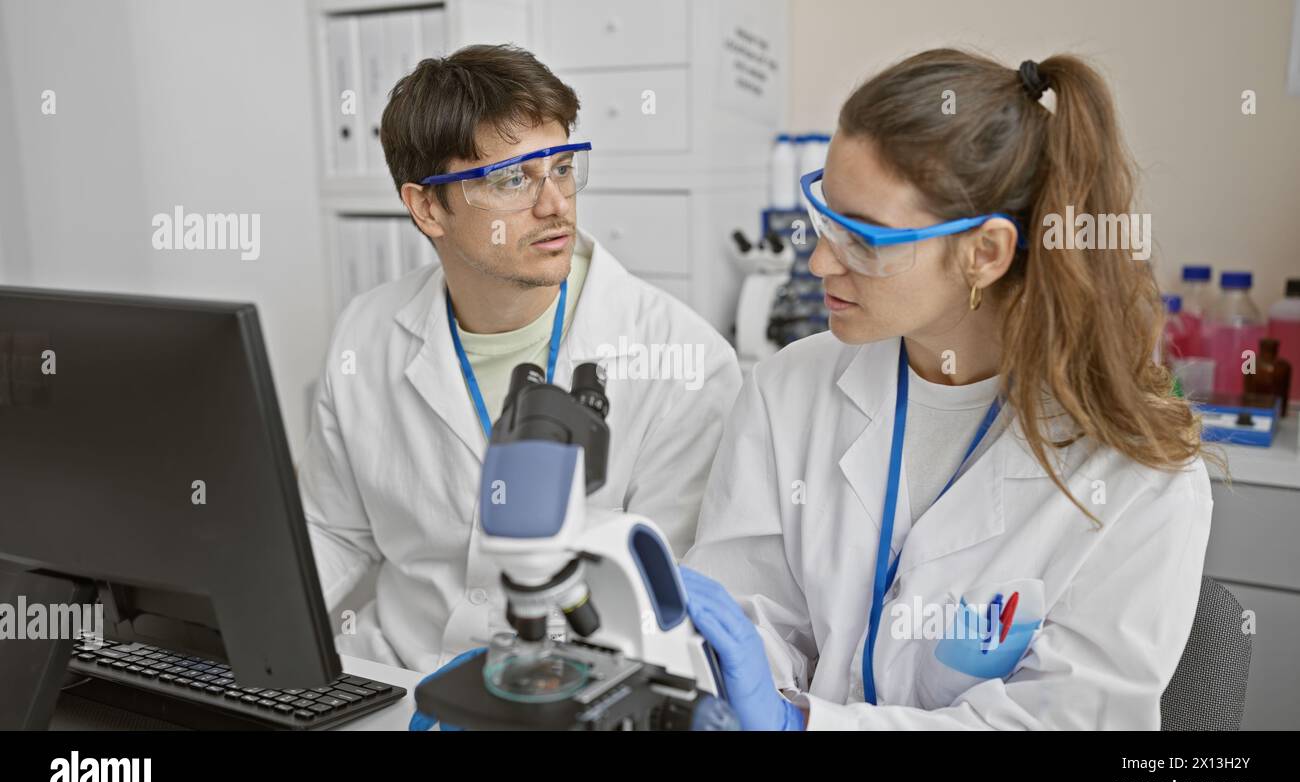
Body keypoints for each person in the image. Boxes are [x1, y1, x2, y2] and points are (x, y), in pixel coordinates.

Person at [681, 49, 1214, 730]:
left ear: (985, 253)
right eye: (824, 215)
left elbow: (1057, 722)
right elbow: (744, 613)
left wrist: (803, 724)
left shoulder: (1139, 473)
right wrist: (736, 677)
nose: (819, 261)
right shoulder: (789, 390)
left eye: (864, 239)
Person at [299, 45, 740, 675]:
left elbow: (669, 610)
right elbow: (334, 531)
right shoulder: (364, 335)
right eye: (513, 180)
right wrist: (241, 637)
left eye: (561, 168)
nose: (554, 203)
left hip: (571, 693)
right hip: (395, 679)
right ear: (428, 208)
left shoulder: (685, 363)